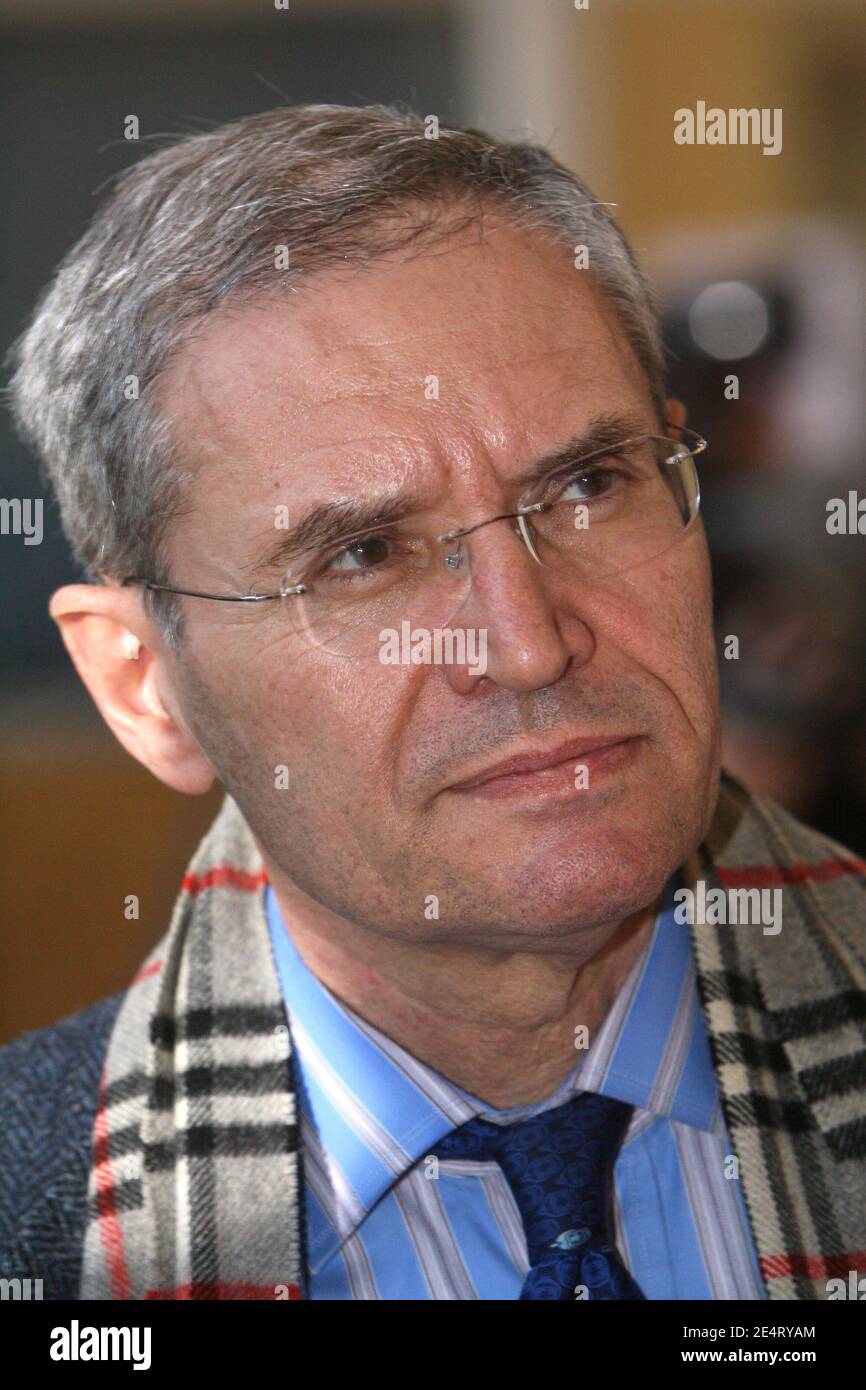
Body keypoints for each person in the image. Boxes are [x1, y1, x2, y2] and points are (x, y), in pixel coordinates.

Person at [2, 104, 864, 1302]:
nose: (527, 645)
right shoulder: (35, 1234)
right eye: (361, 554)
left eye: (584, 484)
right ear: (143, 686)